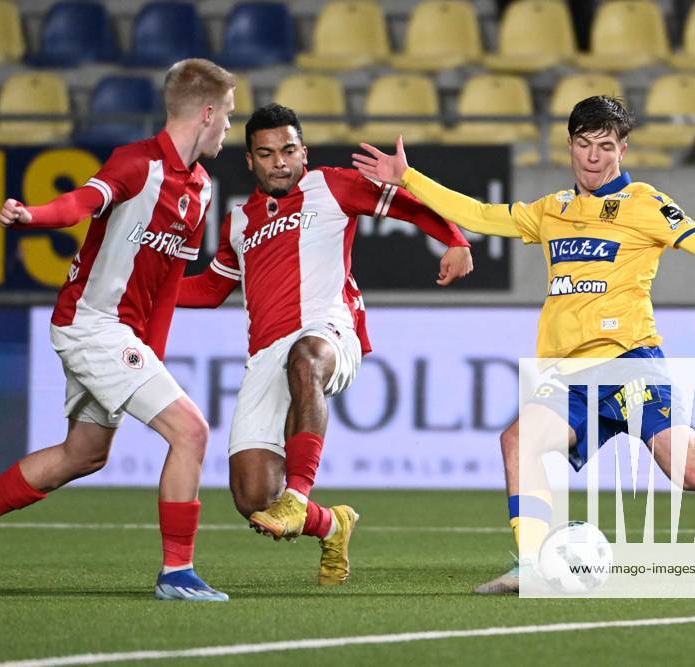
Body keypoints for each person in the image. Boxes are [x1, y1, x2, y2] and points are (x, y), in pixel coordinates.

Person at [352, 96, 695, 594]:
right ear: (569, 146)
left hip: (631, 362)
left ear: (622, 149)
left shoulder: (646, 204)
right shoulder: (553, 210)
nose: (593, 157)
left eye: (605, 146)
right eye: (584, 145)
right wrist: (409, 179)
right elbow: (479, 215)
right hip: (571, 375)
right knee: (517, 440)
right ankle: (531, 564)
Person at [0, 59, 236, 601]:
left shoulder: (200, 188)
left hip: (122, 336)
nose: (229, 129)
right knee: (191, 432)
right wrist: (34, 216)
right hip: (92, 325)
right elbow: (82, 202)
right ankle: (177, 574)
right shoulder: (137, 163)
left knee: (84, 454)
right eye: (229, 117)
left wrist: (155, 350)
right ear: (207, 113)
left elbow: (171, 285)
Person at [176, 103, 473, 585]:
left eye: (289, 151)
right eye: (267, 154)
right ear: (249, 161)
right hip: (266, 354)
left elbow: (407, 204)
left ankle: (299, 493)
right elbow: (210, 289)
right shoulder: (238, 222)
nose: (279, 162)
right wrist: (143, 293)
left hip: (330, 328)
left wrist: (456, 240)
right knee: (252, 497)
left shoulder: (331, 185)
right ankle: (332, 524)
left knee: (306, 357)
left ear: (304, 152)